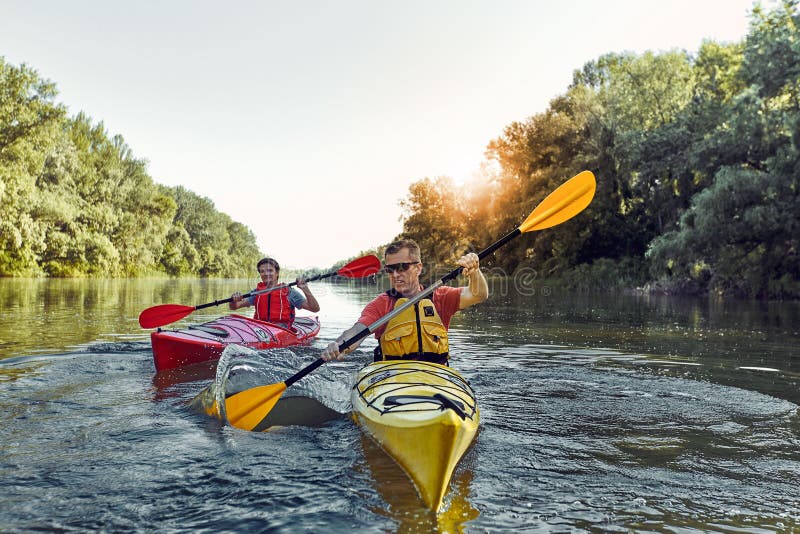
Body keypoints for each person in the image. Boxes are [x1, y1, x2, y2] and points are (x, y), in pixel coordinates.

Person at [321, 239, 488, 364]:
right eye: (390, 269)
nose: (395, 274)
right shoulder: (381, 304)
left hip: (436, 378)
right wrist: (338, 345)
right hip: (393, 380)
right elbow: (356, 332)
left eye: (402, 267)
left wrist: (475, 272)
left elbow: (478, 294)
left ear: (418, 268)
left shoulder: (441, 297)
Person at [230, 257, 320, 328]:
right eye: (262, 271)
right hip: (259, 329)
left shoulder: (289, 292)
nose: (265, 274)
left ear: (277, 273)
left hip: (281, 331)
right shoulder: (257, 292)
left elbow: (315, 308)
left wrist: (305, 289)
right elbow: (235, 307)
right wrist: (234, 300)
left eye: (270, 270)